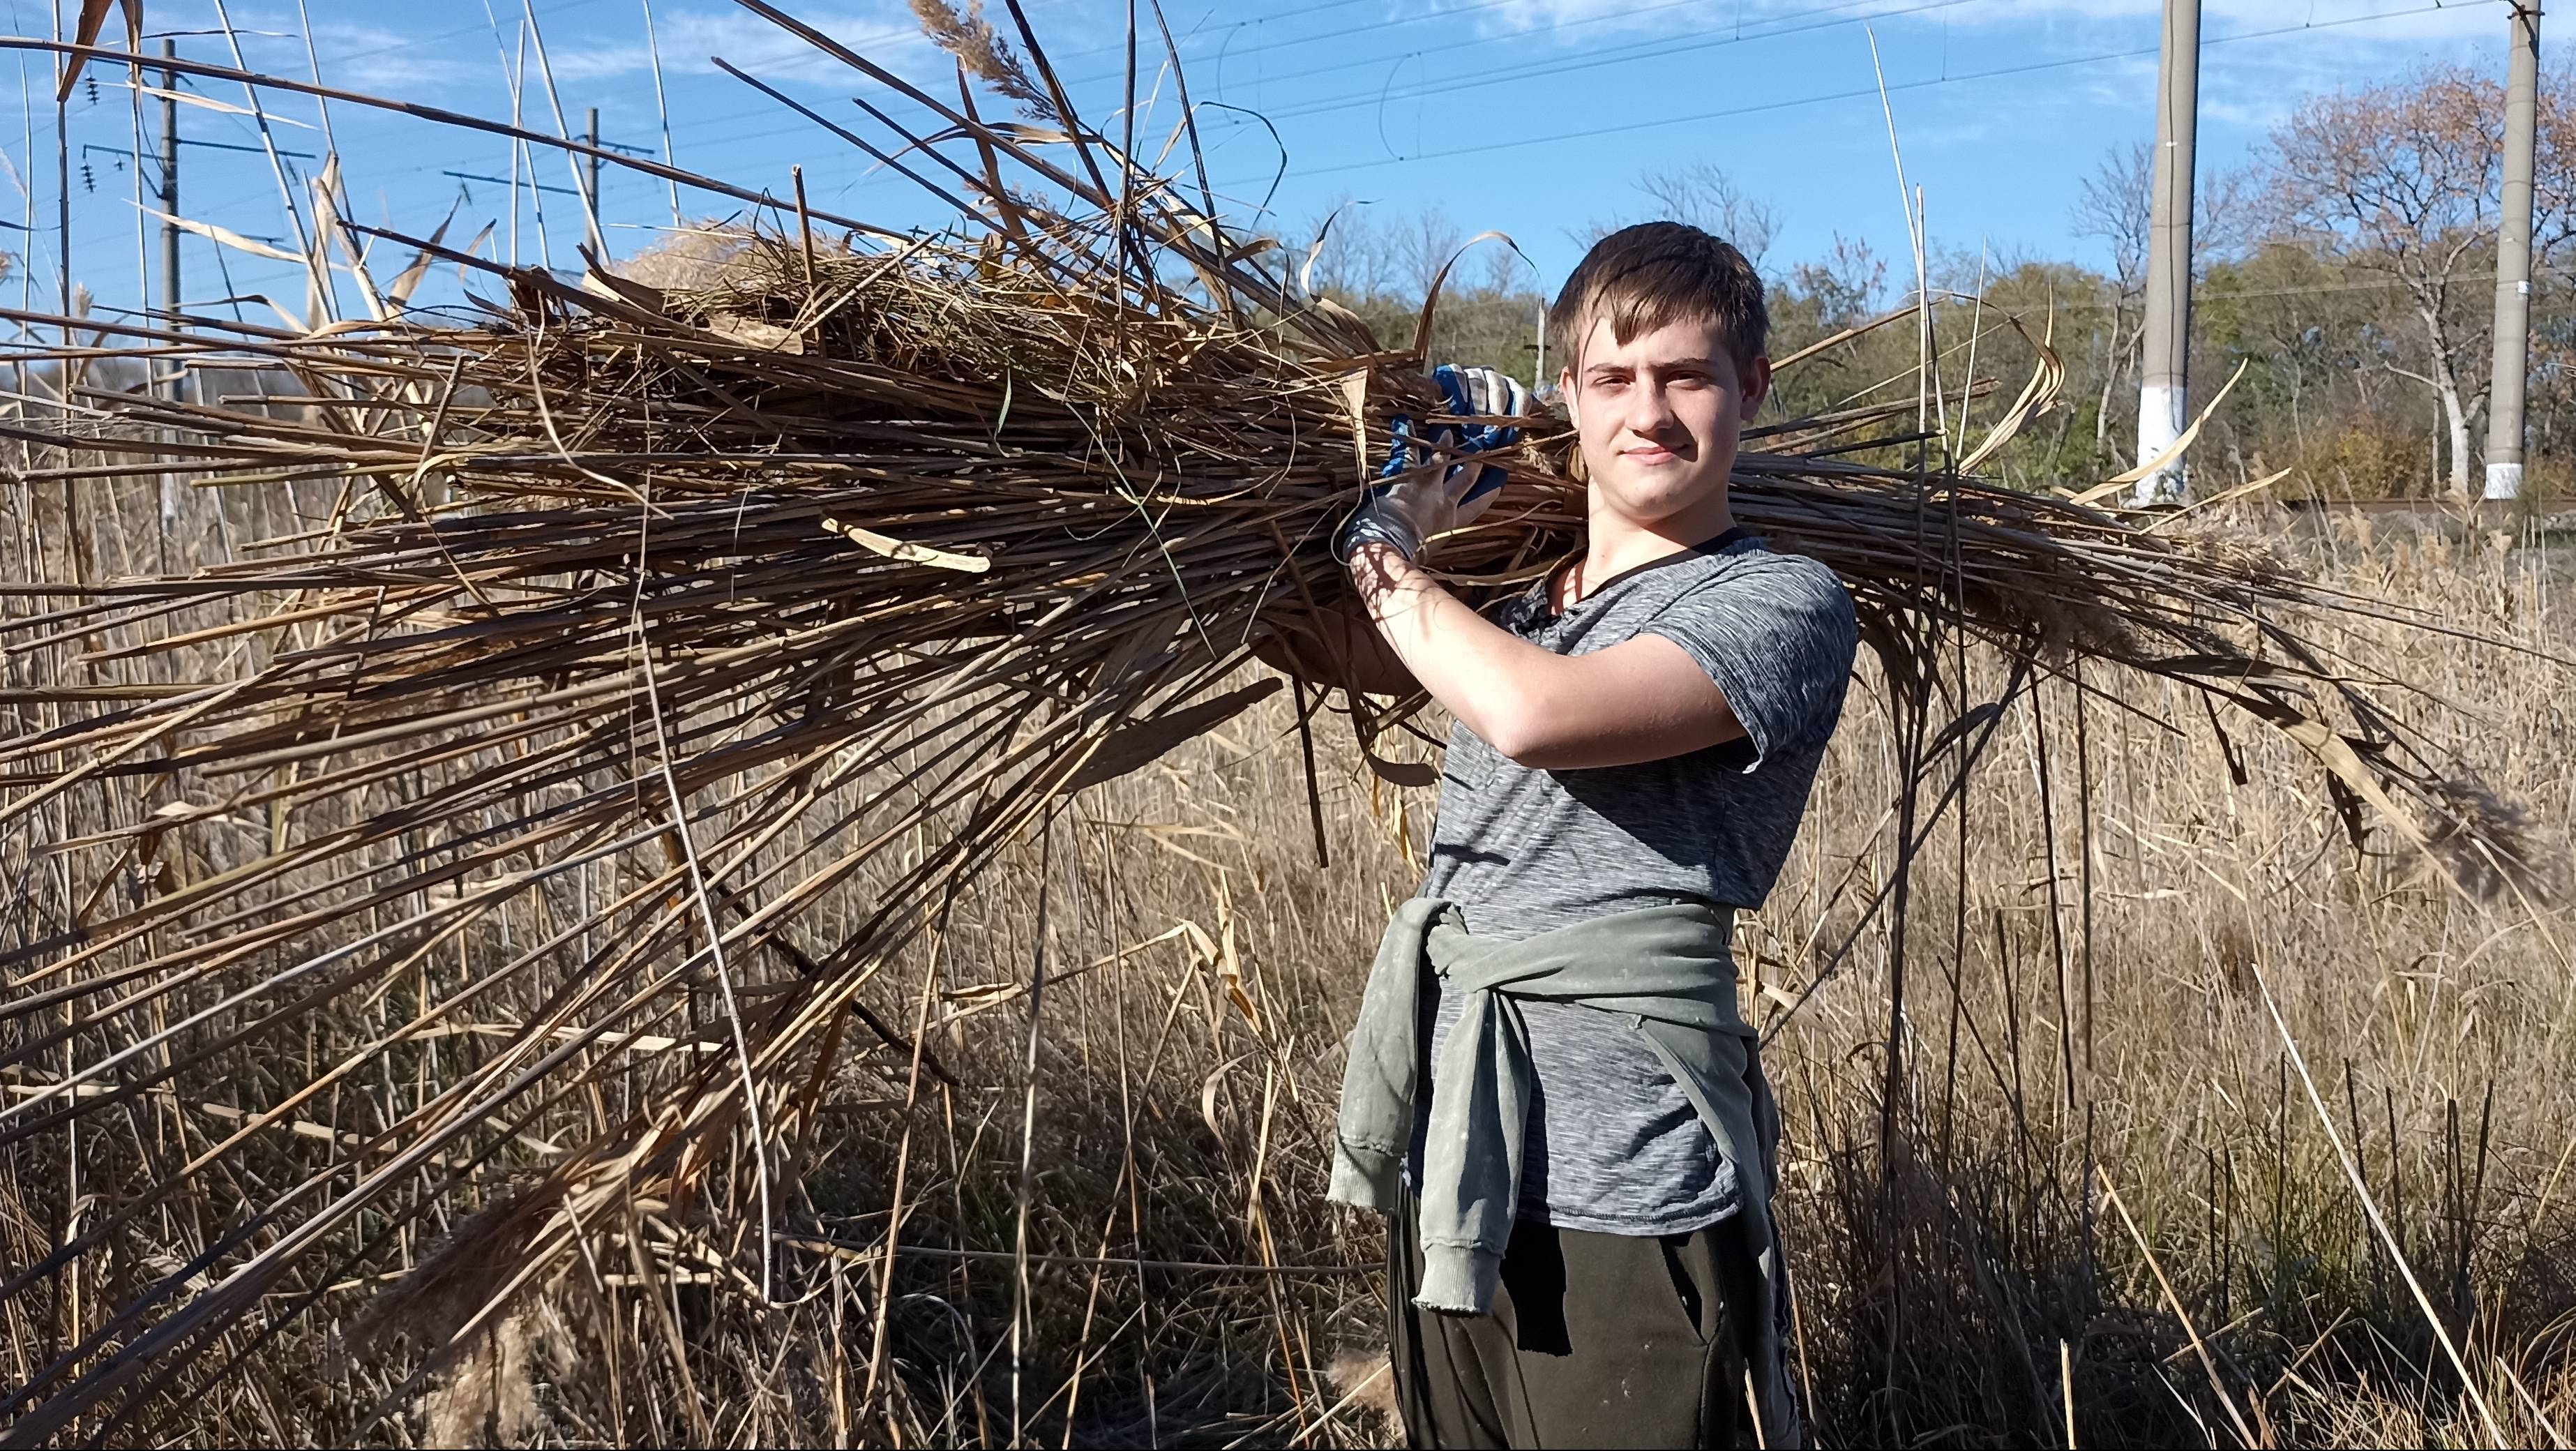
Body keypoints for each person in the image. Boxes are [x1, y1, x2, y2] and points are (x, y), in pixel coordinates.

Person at [1268, 221, 1856, 1449]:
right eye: (1611, 380)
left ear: (1748, 388)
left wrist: (1381, 537)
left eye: (1685, 376)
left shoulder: (1777, 602)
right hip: (1462, 1172)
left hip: (1626, 1189)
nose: (1648, 412)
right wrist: (1363, 478)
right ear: (1568, 400)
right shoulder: (1524, 607)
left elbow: (1533, 716)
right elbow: (1301, 635)